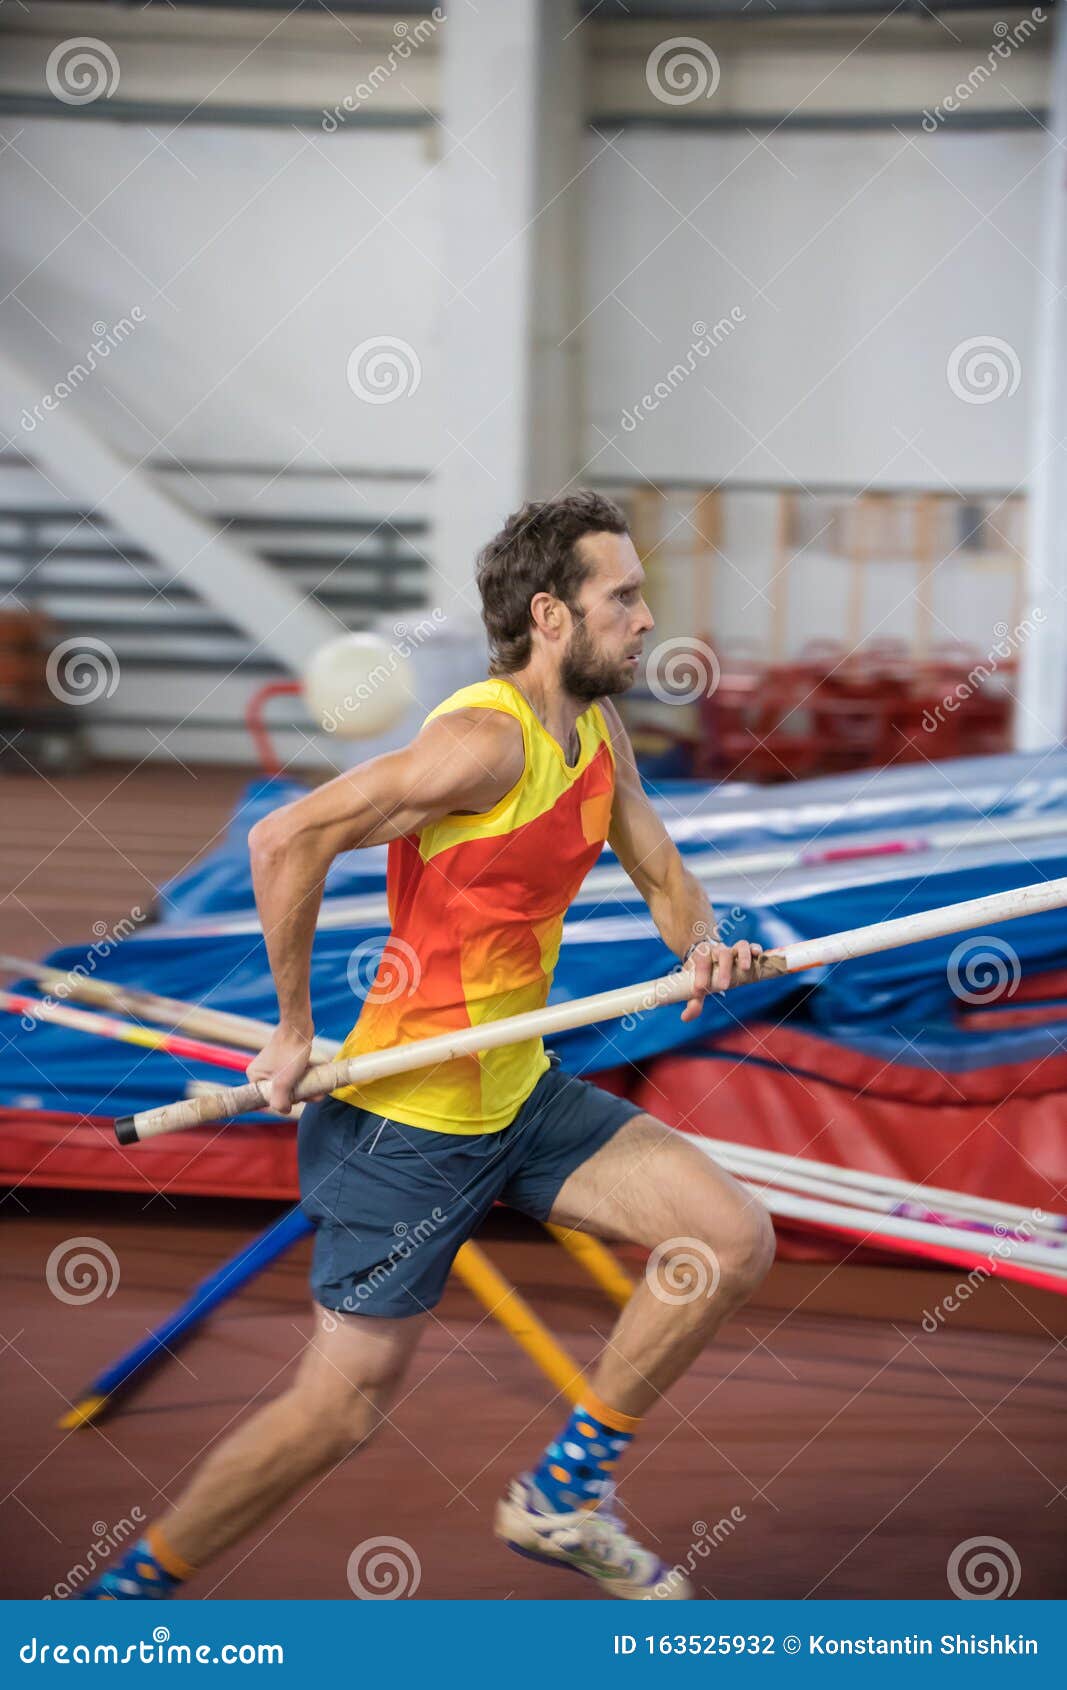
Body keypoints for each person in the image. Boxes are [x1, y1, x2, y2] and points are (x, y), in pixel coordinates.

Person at [82, 490, 773, 1602]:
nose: (649, 619)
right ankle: (130, 1588)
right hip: (404, 1128)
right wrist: (295, 1028)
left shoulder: (594, 729)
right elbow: (282, 833)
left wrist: (700, 946)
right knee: (335, 1412)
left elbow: (656, 867)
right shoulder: (480, 744)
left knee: (728, 1237)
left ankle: (562, 1494)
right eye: (625, 596)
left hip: (518, 1094)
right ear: (550, 615)